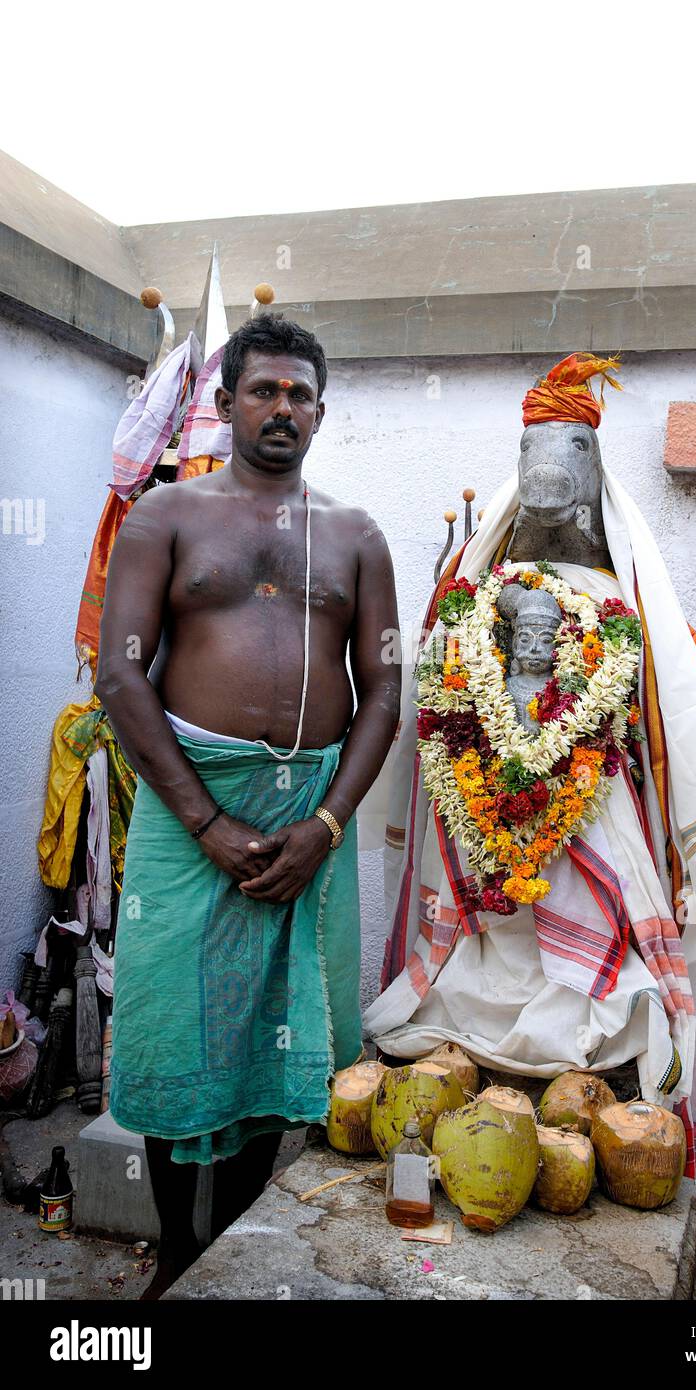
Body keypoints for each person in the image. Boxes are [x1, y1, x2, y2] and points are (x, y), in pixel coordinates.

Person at [363, 354, 696, 1237]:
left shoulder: (628, 602)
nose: (550, 465)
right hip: (480, 814)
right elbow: (436, 699)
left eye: (571, 446)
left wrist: (576, 729)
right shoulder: (475, 595)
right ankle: (468, 1074)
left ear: (594, 467)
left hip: (592, 809)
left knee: (595, 939)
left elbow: (665, 716)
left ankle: (586, 1076)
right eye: (536, 448)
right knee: (474, 931)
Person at [97, 315, 400, 1297]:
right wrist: (209, 822)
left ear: (322, 412)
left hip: (313, 814)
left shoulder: (356, 536)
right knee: (179, 1032)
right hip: (192, 817)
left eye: (300, 394)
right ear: (223, 404)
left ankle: (225, 1251)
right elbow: (121, 677)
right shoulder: (166, 518)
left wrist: (327, 824)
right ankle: (177, 1255)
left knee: (283, 1046)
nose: (283, 409)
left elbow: (386, 689)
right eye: (263, 390)